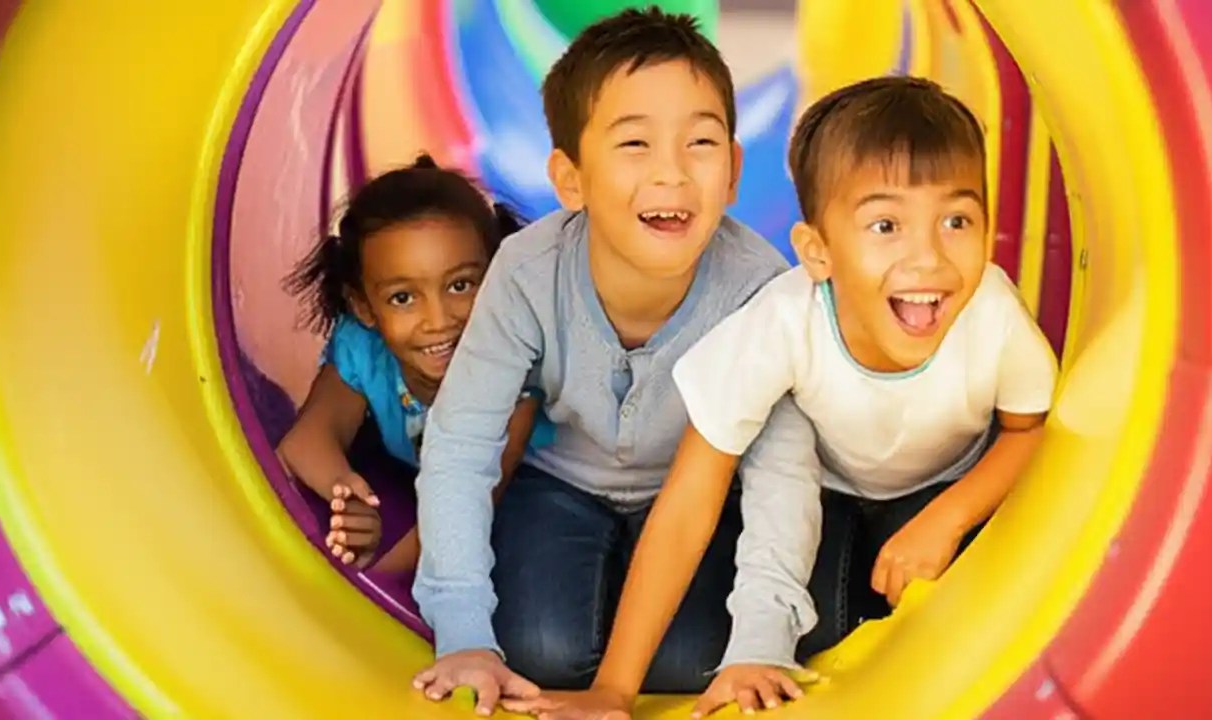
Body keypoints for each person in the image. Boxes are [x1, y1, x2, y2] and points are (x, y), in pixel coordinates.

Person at [512, 76, 1060, 719]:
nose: (928, 258)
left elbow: (1028, 430)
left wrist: (948, 519)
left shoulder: (992, 312)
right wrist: (614, 689)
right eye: (886, 224)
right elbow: (691, 499)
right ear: (817, 251)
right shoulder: (780, 322)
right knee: (793, 635)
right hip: (822, 491)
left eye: (957, 220)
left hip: (942, 483)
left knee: (973, 620)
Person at [408, 6, 821, 717]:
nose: (672, 172)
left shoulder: (758, 289)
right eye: (635, 144)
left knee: (695, 662)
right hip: (564, 482)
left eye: (700, 142)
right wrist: (462, 629)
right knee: (536, 650)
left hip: (697, 499)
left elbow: (782, 471)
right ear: (571, 179)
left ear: (733, 171)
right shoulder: (529, 270)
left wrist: (760, 640)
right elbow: (461, 444)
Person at [276, 154, 552, 572]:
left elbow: (467, 504)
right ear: (364, 306)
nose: (438, 321)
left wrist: (375, 584)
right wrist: (348, 497)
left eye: (460, 285)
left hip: (534, 489)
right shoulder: (365, 345)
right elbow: (306, 440)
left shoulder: (516, 355)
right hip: (437, 486)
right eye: (403, 297)